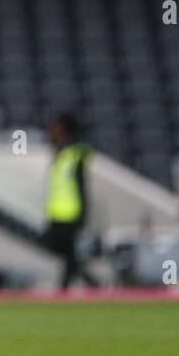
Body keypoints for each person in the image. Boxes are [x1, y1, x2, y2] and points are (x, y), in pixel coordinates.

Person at [43, 112, 99, 290]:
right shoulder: (59, 153)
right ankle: (89, 280)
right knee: (63, 251)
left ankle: (64, 288)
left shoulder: (75, 154)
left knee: (69, 254)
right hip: (57, 212)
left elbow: (81, 185)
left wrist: (83, 213)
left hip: (71, 212)